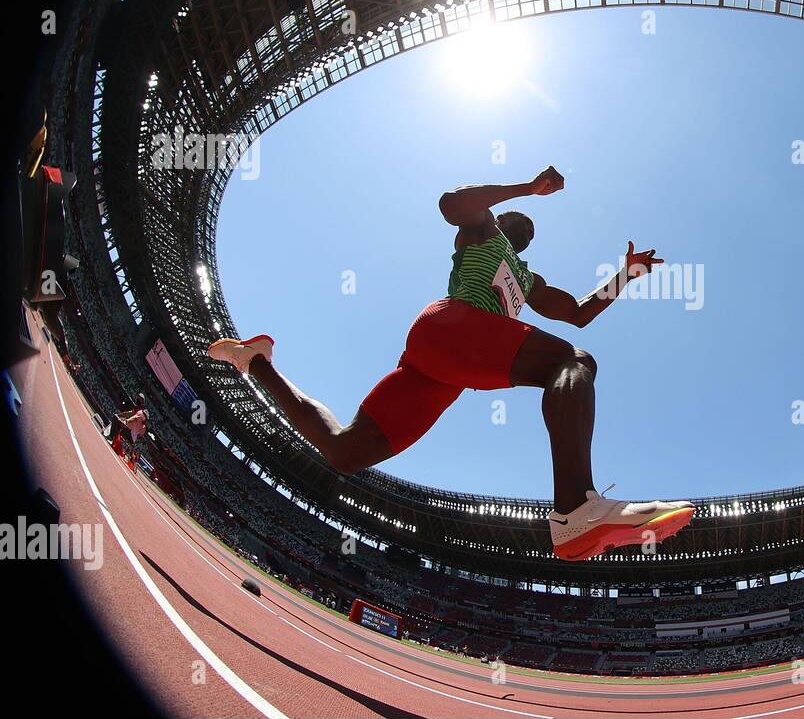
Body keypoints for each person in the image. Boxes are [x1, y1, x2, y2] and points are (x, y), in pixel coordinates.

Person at [208, 166, 695, 561]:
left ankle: (258, 363)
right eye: (516, 219)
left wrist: (625, 274)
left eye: (528, 228)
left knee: (346, 452)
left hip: (445, 368)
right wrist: (527, 187)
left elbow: (579, 313)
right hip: (450, 326)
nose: (523, 226)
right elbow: (452, 203)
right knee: (571, 362)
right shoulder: (483, 233)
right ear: (499, 219)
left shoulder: (527, 279)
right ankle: (575, 508)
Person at [116, 393, 150, 469]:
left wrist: (125, 420)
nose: (137, 399)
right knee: (131, 445)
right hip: (133, 438)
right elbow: (140, 434)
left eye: (139, 399)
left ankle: (114, 438)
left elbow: (133, 417)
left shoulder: (140, 412)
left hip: (128, 431)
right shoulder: (144, 425)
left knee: (120, 425)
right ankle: (133, 459)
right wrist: (121, 415)